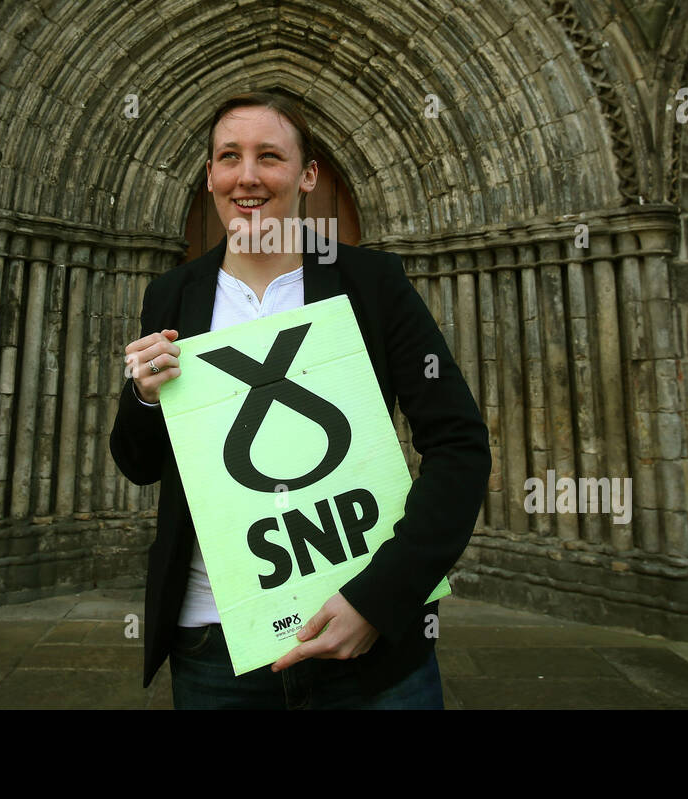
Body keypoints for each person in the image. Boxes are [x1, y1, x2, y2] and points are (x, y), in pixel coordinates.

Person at [109, 90, 490, 709]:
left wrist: (380, 599)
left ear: (308, 175)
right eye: (229, 157)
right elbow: (138, 463)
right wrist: (145, 398)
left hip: (370, 641)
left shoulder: (372, 283)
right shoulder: (174, 294)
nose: (248, 176)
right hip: (215, 643)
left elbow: (459, 445)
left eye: (270, 156)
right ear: (210, 176)